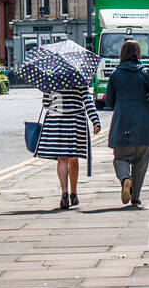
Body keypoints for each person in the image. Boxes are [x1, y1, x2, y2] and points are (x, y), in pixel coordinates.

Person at [104, 39, 149, 208]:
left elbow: (109, 101)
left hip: (122, 123)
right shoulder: (145, 73)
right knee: (141, 162)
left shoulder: (115, 74)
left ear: (121, 54)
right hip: (144, 125)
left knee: (120, 158)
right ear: (138, 53)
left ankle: (125, 179)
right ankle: (135, 197)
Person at [33, 78, 101, 210]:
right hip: (76, 121)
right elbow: (88, 101)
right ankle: (74, 194)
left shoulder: (52, 79)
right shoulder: (79, 79)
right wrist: (95, 121)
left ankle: (64, 193)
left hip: (57, 121)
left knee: (62, 159)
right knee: (73, 159)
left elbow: (47, 104)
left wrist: (48, 92)